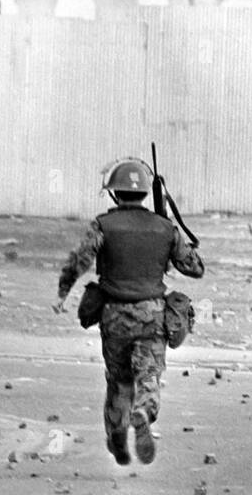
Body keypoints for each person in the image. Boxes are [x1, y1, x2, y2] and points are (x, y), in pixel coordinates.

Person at [54, 157, 204, 466]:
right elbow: (194, 268)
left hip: (114, 315)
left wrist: (63, 291)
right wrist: (173, 233)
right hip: (152, 315)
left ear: (114, 193)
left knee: (119, 380)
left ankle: (116, 433)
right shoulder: (164, 227)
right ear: (146, 193)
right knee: (148, 374)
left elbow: (79, 259)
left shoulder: (103, 224)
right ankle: (143, 413)